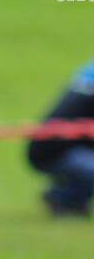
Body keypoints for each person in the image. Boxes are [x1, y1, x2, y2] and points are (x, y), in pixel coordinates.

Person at [27, 59, 94, 216]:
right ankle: (63, 197)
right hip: (57, 151)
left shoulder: (85, 81)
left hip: (61, 147)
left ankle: (69, 197)